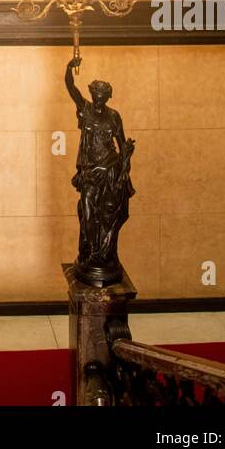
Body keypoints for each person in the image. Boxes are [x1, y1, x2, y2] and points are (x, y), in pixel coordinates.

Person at [65, 56, 135, 286]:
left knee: (108, 216)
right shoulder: (84, 108)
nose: (99, 98)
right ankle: (88, 255)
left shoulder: (114, 116)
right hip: (89, 172)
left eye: (103, 95)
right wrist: (68, 68)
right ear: (92, 93)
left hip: (111, 169)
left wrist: (126, 165)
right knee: (87, 215)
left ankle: (104, 256)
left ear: (107, 97)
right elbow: (70, 87)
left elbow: (122, 144)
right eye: (96, 94)